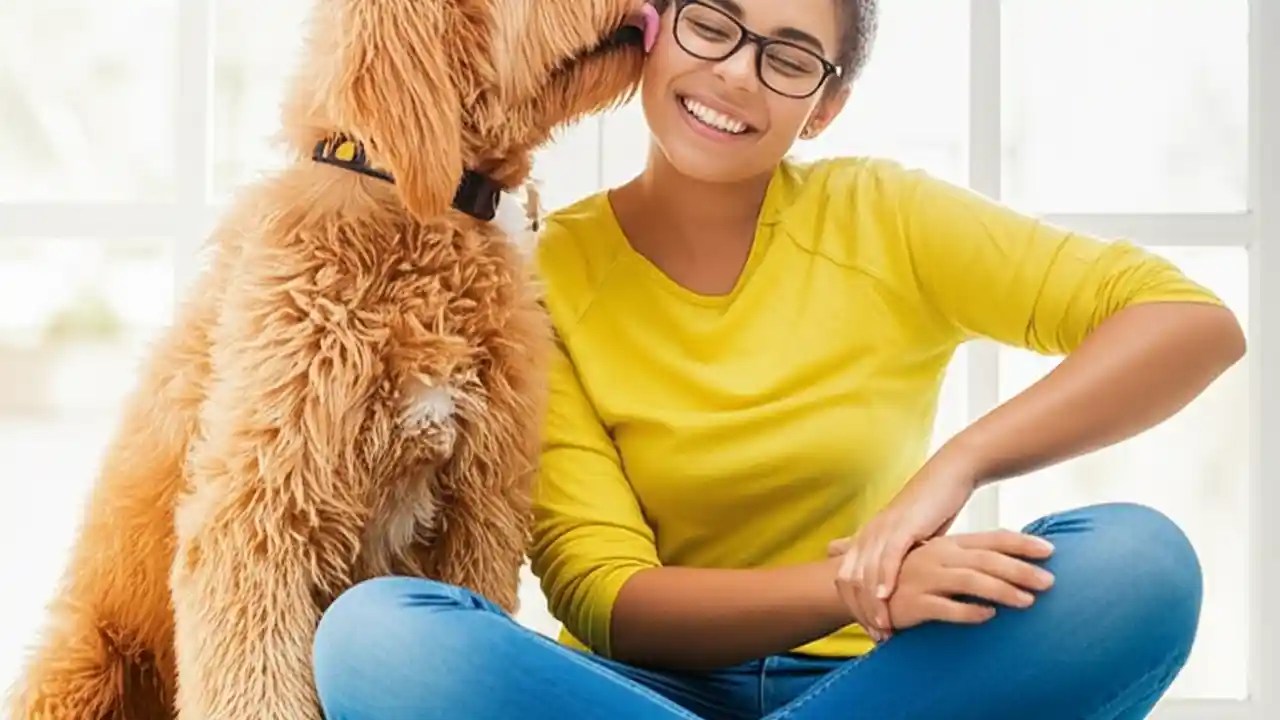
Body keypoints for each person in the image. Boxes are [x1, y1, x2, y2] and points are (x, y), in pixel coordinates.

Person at [310, 0, 1247, 717]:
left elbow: (1185, 320)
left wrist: (958, 466)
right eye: (713, 23)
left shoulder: (885, 216)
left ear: (826, 105)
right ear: (655, 31)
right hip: (632, 689)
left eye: (788, 56)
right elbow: (610, 599)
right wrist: (855, 581)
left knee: (1142, 565)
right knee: (377, 635)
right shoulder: (542, 274)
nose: (735, 74)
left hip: (892, 682)